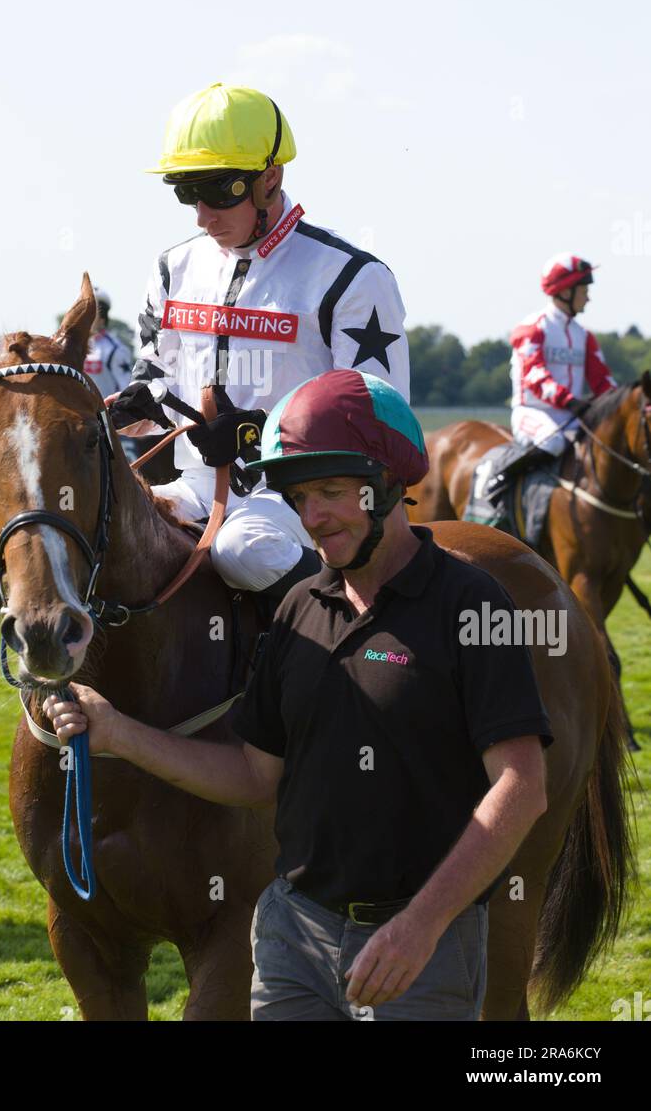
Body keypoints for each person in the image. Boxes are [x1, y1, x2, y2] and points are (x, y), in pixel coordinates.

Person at [44, 368, 553, 1021]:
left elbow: (523, 784)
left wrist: (421, 925)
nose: (313, 519)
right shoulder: (298, 608)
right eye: (299, 499)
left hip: (420, 946)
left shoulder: (472, 603)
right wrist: (119, 735)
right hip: (291, 937)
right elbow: (257, 774)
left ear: (390, 483)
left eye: (332, 493)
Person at [109, 82, 410, 609]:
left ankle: (353, 624)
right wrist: (129, 409)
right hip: (195, 489)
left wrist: (259, 434)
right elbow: (154, 382)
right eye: (186, 192)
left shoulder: (353, 276)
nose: (203, 215)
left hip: (302, 496)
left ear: (270, 177)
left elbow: (379, 422)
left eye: (219, 191)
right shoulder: (172, 268)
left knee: (243, 550)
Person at [486, 254, 617, 499]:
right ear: (566, 291)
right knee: (555, 443)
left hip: (570, 415)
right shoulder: (532, 328)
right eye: (584, 288)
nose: (588, 296)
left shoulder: (584, 336)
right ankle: (500, 482)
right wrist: (570, 401)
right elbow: (535, 377)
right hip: (533, 413)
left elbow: (603, 382)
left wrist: (621, 404)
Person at [84, 289, 133, 400]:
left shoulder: (116, 349)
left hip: (104, 415)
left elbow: (125, 389)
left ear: (102, 318)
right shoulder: (70, 347)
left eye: (90, 312)